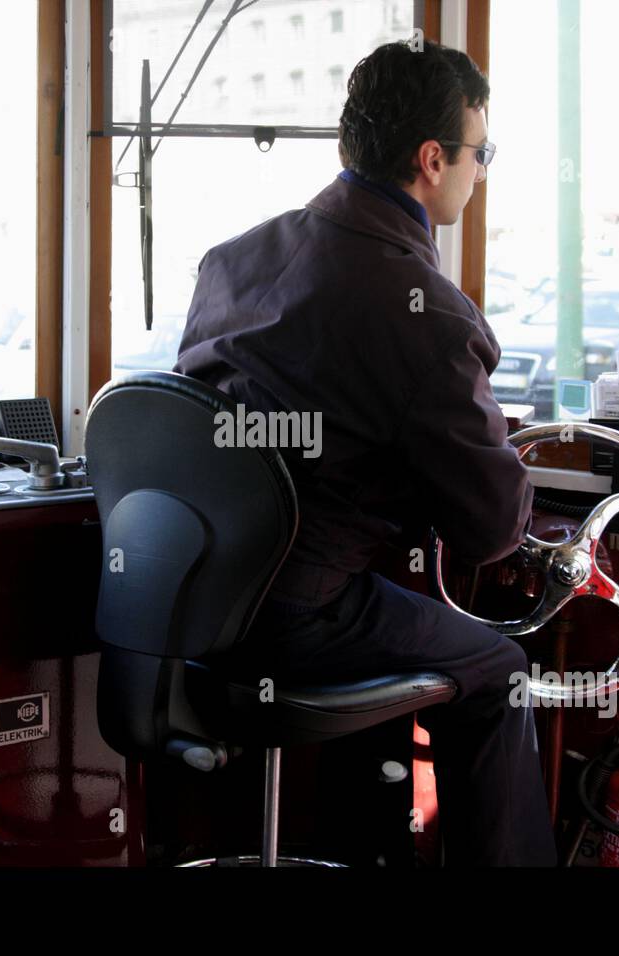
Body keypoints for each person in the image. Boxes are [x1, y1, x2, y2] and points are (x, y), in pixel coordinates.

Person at [173, 39, 556, 866]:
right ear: (431, 159)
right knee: (498, 667)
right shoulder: (427, 315)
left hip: (186, 600)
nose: (479, 171)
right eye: (478, 152)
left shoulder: (232, 260)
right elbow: (491, 530)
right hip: (291, 623)